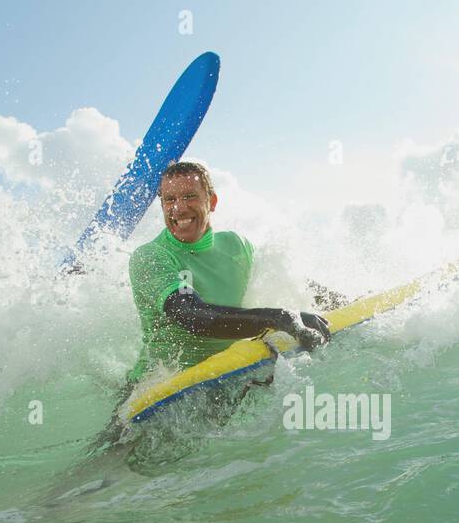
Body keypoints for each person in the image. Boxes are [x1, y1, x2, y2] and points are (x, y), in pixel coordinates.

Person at [93, 161, 332, 446]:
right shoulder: (151, 258)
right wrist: (278, 318)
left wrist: (335, 300)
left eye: (189, 197)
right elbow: (194, 317)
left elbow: (287, 280)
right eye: (169, 199)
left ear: (212, 201)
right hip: (160, 392)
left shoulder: (235, 246)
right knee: (105, 471)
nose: (179, 209)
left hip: (223, 374)